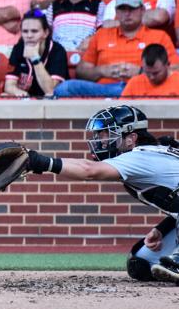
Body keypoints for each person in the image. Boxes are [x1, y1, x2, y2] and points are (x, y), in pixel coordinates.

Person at [23, 105, 179, 284]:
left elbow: (89, 170)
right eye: (100, 135)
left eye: (107, 134)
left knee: (172, 265)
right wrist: (163, 228)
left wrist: (40, 162)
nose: (101, 141)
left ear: (131, 139)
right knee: (142, 263)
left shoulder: (139, 156)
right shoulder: (151, 153)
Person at [53, 0, 178, 98]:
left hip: (140, 88)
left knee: (131, 89)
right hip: (103, 90)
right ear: (116, 12)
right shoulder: (101, 35)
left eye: (132, 9)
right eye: (122, 9)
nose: (127, 14)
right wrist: (101, 70)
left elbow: (175, 70)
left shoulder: (160, 36)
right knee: (65, 88)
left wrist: (141, 72)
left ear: (142, 10)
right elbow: (81, 71)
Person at [3, 8, 69, 97]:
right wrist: (23, 95)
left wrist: (35, 58)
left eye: (34, 31)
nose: (29, 36)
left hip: (53, 102)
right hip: (26, 99)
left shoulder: (57, 51)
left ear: (46, 33)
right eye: (25, 31)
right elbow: (9, 86)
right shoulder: (18, 48)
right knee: (4, 95)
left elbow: (50, 91)